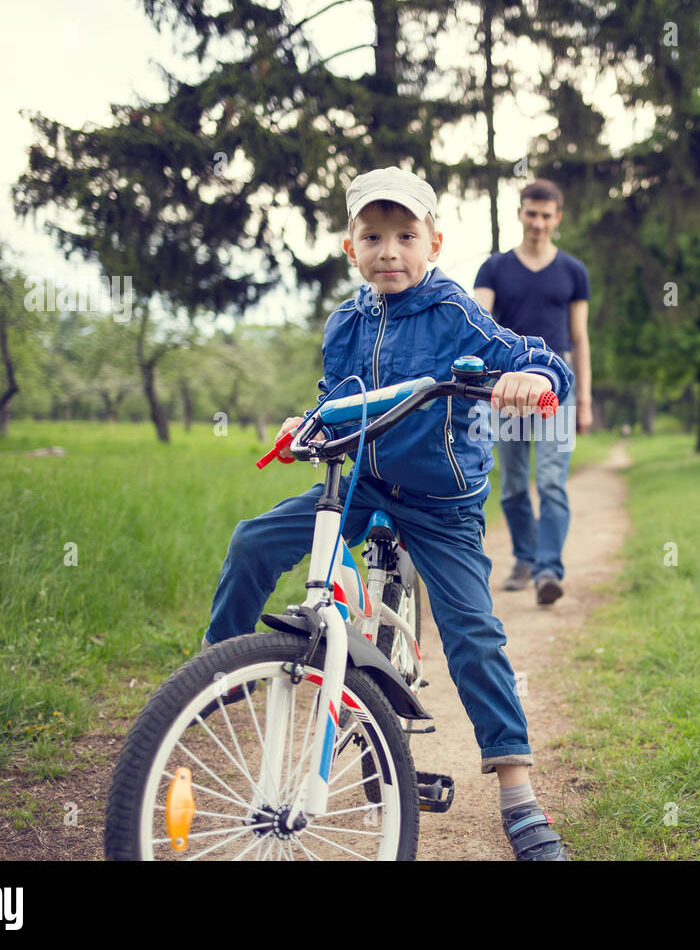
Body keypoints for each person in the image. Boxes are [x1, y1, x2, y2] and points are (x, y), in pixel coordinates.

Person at [200, 166, 574, 861]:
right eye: (373, 237)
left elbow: (538, 358)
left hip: (440, 503)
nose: (390, 251)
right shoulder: (346, 321)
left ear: (434, 241)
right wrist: (307, 422)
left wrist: (534, 378)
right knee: (253, 540)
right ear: (351, 248)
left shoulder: (453, 311)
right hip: (363, 482)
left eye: (406, 235)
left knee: (472, 632)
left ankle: (518, 793)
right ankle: (213, 672)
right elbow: (335, 396)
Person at [473, 180, 592, 605]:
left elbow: (580, 339)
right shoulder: (495, 269)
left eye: (546, 215)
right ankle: (524, 558)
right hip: (508, 389)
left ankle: (548, 571)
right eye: (531, 213)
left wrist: (586, 400)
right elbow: (479, 323)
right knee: (514, 486)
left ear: (557, 218)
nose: (538, 223)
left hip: (559, 390)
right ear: (520, 214)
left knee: (552, 482)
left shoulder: (573, 272)